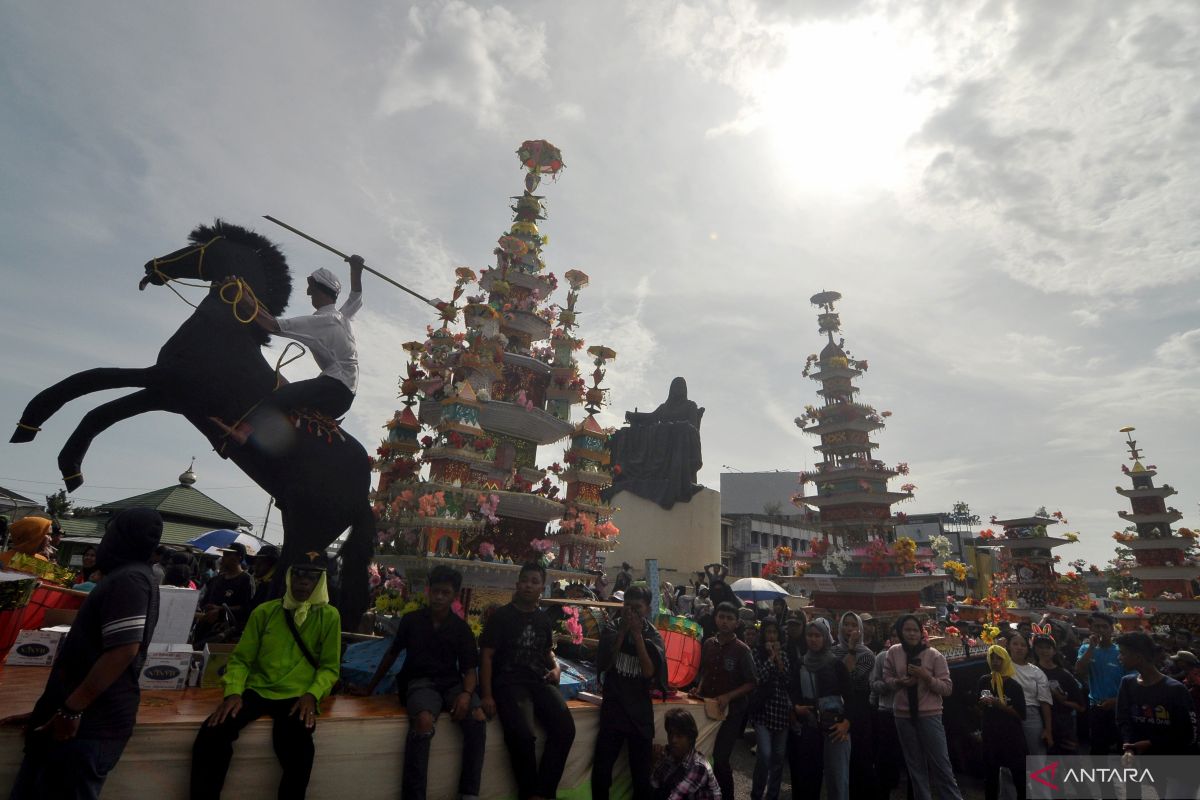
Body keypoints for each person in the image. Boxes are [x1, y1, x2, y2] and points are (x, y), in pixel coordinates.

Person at [10, 508, 163, 800]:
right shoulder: (126, 576)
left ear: (123, 538)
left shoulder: (129, 580)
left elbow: (123, 651)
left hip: (87, 729)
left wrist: (71, 709)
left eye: (110, 533)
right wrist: (53, 706)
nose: (104, 542)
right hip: (72, 721)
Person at [190, 552, 341, 799]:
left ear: (320, 582)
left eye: (312, 577)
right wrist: (234, 692)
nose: (303, 582)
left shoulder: (330, 617)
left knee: (300, 752)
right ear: (289, 578)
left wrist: (313, 695)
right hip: (258, 689)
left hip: (297, 695)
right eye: (299, 575)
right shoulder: (265, 611)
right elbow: (241, 659)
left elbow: (329, 667)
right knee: (212, 733)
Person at [357, 564, 484, 800]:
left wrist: (467, 695)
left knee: (477, 717)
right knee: (424, 721)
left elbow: (469, 669)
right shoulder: (411, 621)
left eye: (445, 593)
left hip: (451, 683)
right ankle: (414, 795)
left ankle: (469, 792)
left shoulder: (461, 629)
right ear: (428, 591)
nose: (439, 597)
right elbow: (392, 654)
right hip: (419, 682)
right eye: (435, 591)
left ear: (454, 595)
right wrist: (369, 688)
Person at [479, 562, 575, 800]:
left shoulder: (543, 620)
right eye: (525, 580)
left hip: (538, 681)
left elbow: (546, 652)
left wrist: (556, 668)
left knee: (565, 728)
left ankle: (544, 792)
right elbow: (487, 656)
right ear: (517, 584)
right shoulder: (500, 617)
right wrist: (487, 695)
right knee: (523, 735)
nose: (529, 586)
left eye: (535, 582)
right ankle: (529, 792)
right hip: (508, 683)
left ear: (542, 587)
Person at [592, 585, 666, 800]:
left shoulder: (653, 635)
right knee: (602, 772)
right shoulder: (612, 628)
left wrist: (637, 635)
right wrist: (624, 632)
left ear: (647, 609)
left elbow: (649, 672)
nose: (632, 612)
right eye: (628, 606)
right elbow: (606, 663)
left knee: (641, 776)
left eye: (637, 607)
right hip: (614, 709)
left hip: (640, 714)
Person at [882, 615, 963, 800]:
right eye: (907, 630)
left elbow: (947, 688)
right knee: (915, 766)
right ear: (900, 632)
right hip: (902, 715)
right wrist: (899, 682)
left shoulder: (933, 655)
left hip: (930, 714)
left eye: (915, 630)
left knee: (941, 765)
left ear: (921, 633)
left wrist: (926, 677)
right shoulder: (893, 652)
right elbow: (886, 679)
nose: (911, 634)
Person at [691, 602, 757, 800]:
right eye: (722, 617)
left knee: (720, 759)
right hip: (707, 708)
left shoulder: (743, 650)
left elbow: (752, 683)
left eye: (730, 618)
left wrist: (728, 696)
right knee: (702, 754)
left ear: (737, 623)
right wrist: (699, 688)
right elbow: (704, 672)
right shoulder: (708, 644)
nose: (725, 622)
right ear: (715, 618)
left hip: (732, 713)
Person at [789, 618, 850, 800]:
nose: (813, 639)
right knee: (809, 776)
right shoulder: (801, 664)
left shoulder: (836, 664)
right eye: (809, 635)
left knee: (837, 779)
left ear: (825, 637)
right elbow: (794, 691)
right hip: (810, 726)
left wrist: (847, 722)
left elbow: (850, 696)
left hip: (835, 727)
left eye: (817, 635)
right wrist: (796, 707)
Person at [1115, 631, 1197, 755]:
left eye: (1122, 653)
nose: (1119, 657)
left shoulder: (1175, 690)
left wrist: (1152, 743)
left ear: (1138, 657)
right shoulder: (1127, 683)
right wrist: (1129, 747)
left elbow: (1187, 733)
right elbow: (1123, 719)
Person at [831, 611, 876, 800]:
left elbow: (852, 679)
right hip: (837, 708)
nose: (849, 629)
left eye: (853, 625)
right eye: (846, 624)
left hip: (859, 708)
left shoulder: (866, 655)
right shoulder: (832, 652)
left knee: (860, 755)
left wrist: (851, 650)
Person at [976, 645, 1027, 800]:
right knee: (990, 776)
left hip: (1011, 737)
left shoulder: (1014, 686)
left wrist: (1000, 705)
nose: (996, 662)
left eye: (1000, 658)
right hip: (991, 735)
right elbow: (976, 708)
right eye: (993, 658)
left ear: (1006, 660)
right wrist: (982, 704)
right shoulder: (984, 681)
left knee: (1019, 775)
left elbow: (1021, 715)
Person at [748, 619, 790, 800]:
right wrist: (770, 658)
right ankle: (757, 794)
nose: (771, 636)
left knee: (778, 759)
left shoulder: (785, 655)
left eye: (774, 632)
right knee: (765, 755)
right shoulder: (756, 654)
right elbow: (760, 678)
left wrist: (778, 657)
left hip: (782, 712)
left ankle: (772, 795)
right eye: (768, 632)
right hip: (763, 712)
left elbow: (787, 678)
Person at [1075, 611, 1129, 754]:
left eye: (1105, 627)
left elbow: (1132, 681)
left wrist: (1116, 700)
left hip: (1120, 707)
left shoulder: (1121, 652)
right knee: (1098, 750)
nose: (1101, 630)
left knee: (1125, 749)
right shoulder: (1085, 649)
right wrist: (1092, 648)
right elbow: (1079, 670)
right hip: (1096, 707)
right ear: (1091, 629)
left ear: (1112, 629)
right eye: (1097, 627)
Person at [650, 708, 722, 800]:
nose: (673, 740)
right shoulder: (669, 755)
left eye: (679, 736)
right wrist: (653, 762)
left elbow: (675, 797)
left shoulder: (698, 766)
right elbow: (654, 786)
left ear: (690, 738)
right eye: (670, 734)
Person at [870, 634, 909, 800]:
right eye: (896, 637)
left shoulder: (915, 657)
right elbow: (873, 682)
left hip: (908, 714)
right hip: (886, 712)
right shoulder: (882, 657)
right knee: (885, 756)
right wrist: (890, 684)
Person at [1032, 632, 1084, 754]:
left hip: (1063, 726)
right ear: (1034, 649)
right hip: (1037, 724)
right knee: (1048, 767)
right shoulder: (1030, 673)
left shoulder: (1064, 675)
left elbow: (1081, 707)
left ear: (1054, 651)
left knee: (1071, 765)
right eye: (1040, 647)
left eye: (1047, 647)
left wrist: (1063, 701)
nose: (1043, 651)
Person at [192, 543, 254, 647]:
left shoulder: (246, 580)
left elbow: (247, 609)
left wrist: (221, 610)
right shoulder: (217, 579)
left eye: (228, 555)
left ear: (239, 557)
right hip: (204, 630)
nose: (223, 558)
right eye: (224, 554)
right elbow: (204, 602)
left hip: (225, 636)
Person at [1005, 631, 1053, 755]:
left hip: (1030, 714)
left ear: (1028, 649)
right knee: (1009, 754)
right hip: (1006, 712)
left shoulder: (1036, 672)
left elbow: (1044, 702)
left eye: (1023, 645)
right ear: (1008, 646)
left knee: (1036, 754)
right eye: (1015, 644)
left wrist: (1048, 730)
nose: (1019, 648)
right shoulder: (1001, 666)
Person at [249, 544, 281, 611]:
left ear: (272, 565)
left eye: (261, 563)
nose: (256, 567)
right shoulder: (252, 580)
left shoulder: (273, 587)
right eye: (256, 562)